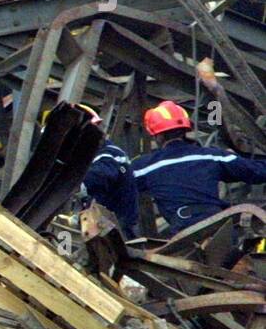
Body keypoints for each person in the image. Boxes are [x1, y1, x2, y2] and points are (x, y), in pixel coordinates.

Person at [133, 100, 266, 234]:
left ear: (158, 135)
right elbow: (257, 172)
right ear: (185, 129)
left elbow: (119, 184)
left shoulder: (145, 166)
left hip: (183, 232)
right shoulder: (212, 156)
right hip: (217, 226)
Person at [78, 104, 139, 237]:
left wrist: (71, 184)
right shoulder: (94, 154)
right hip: (105, 228)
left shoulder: (108, 153)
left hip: (117, 231)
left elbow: (100, 177)